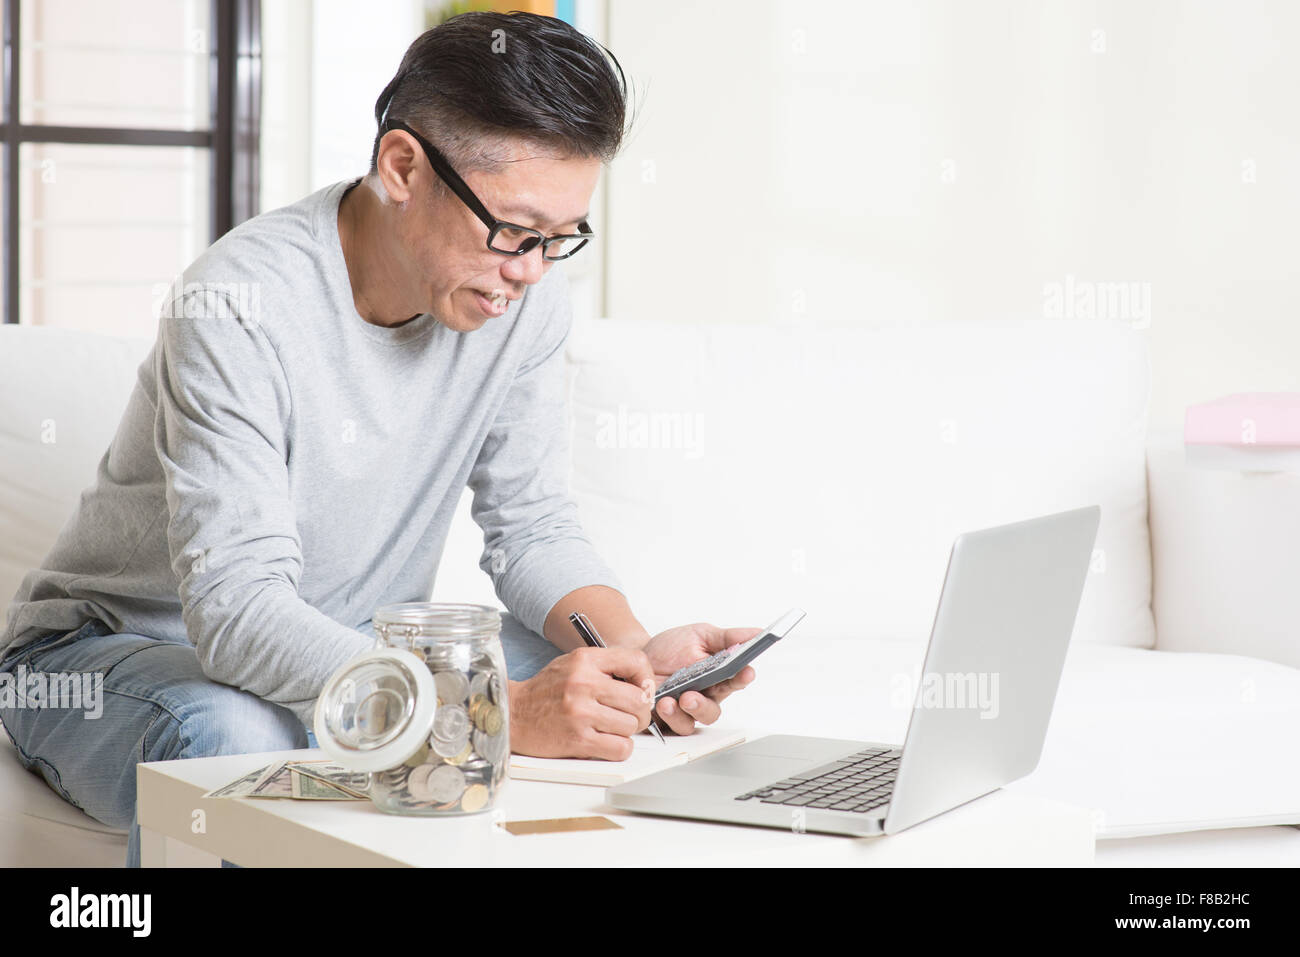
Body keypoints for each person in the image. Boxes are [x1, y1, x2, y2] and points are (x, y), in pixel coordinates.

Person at [0, 11, 757, 868]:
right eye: (511, 231)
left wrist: (631, 657)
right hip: (118, 655)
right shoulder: (238, 301)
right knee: (235, 729)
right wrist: (490, 712)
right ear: (403, 167)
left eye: (559, 239)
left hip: (353, 640)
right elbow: (240, 616)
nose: (531, 270)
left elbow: (535, 524)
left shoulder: (525, 299)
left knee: (581, 677)